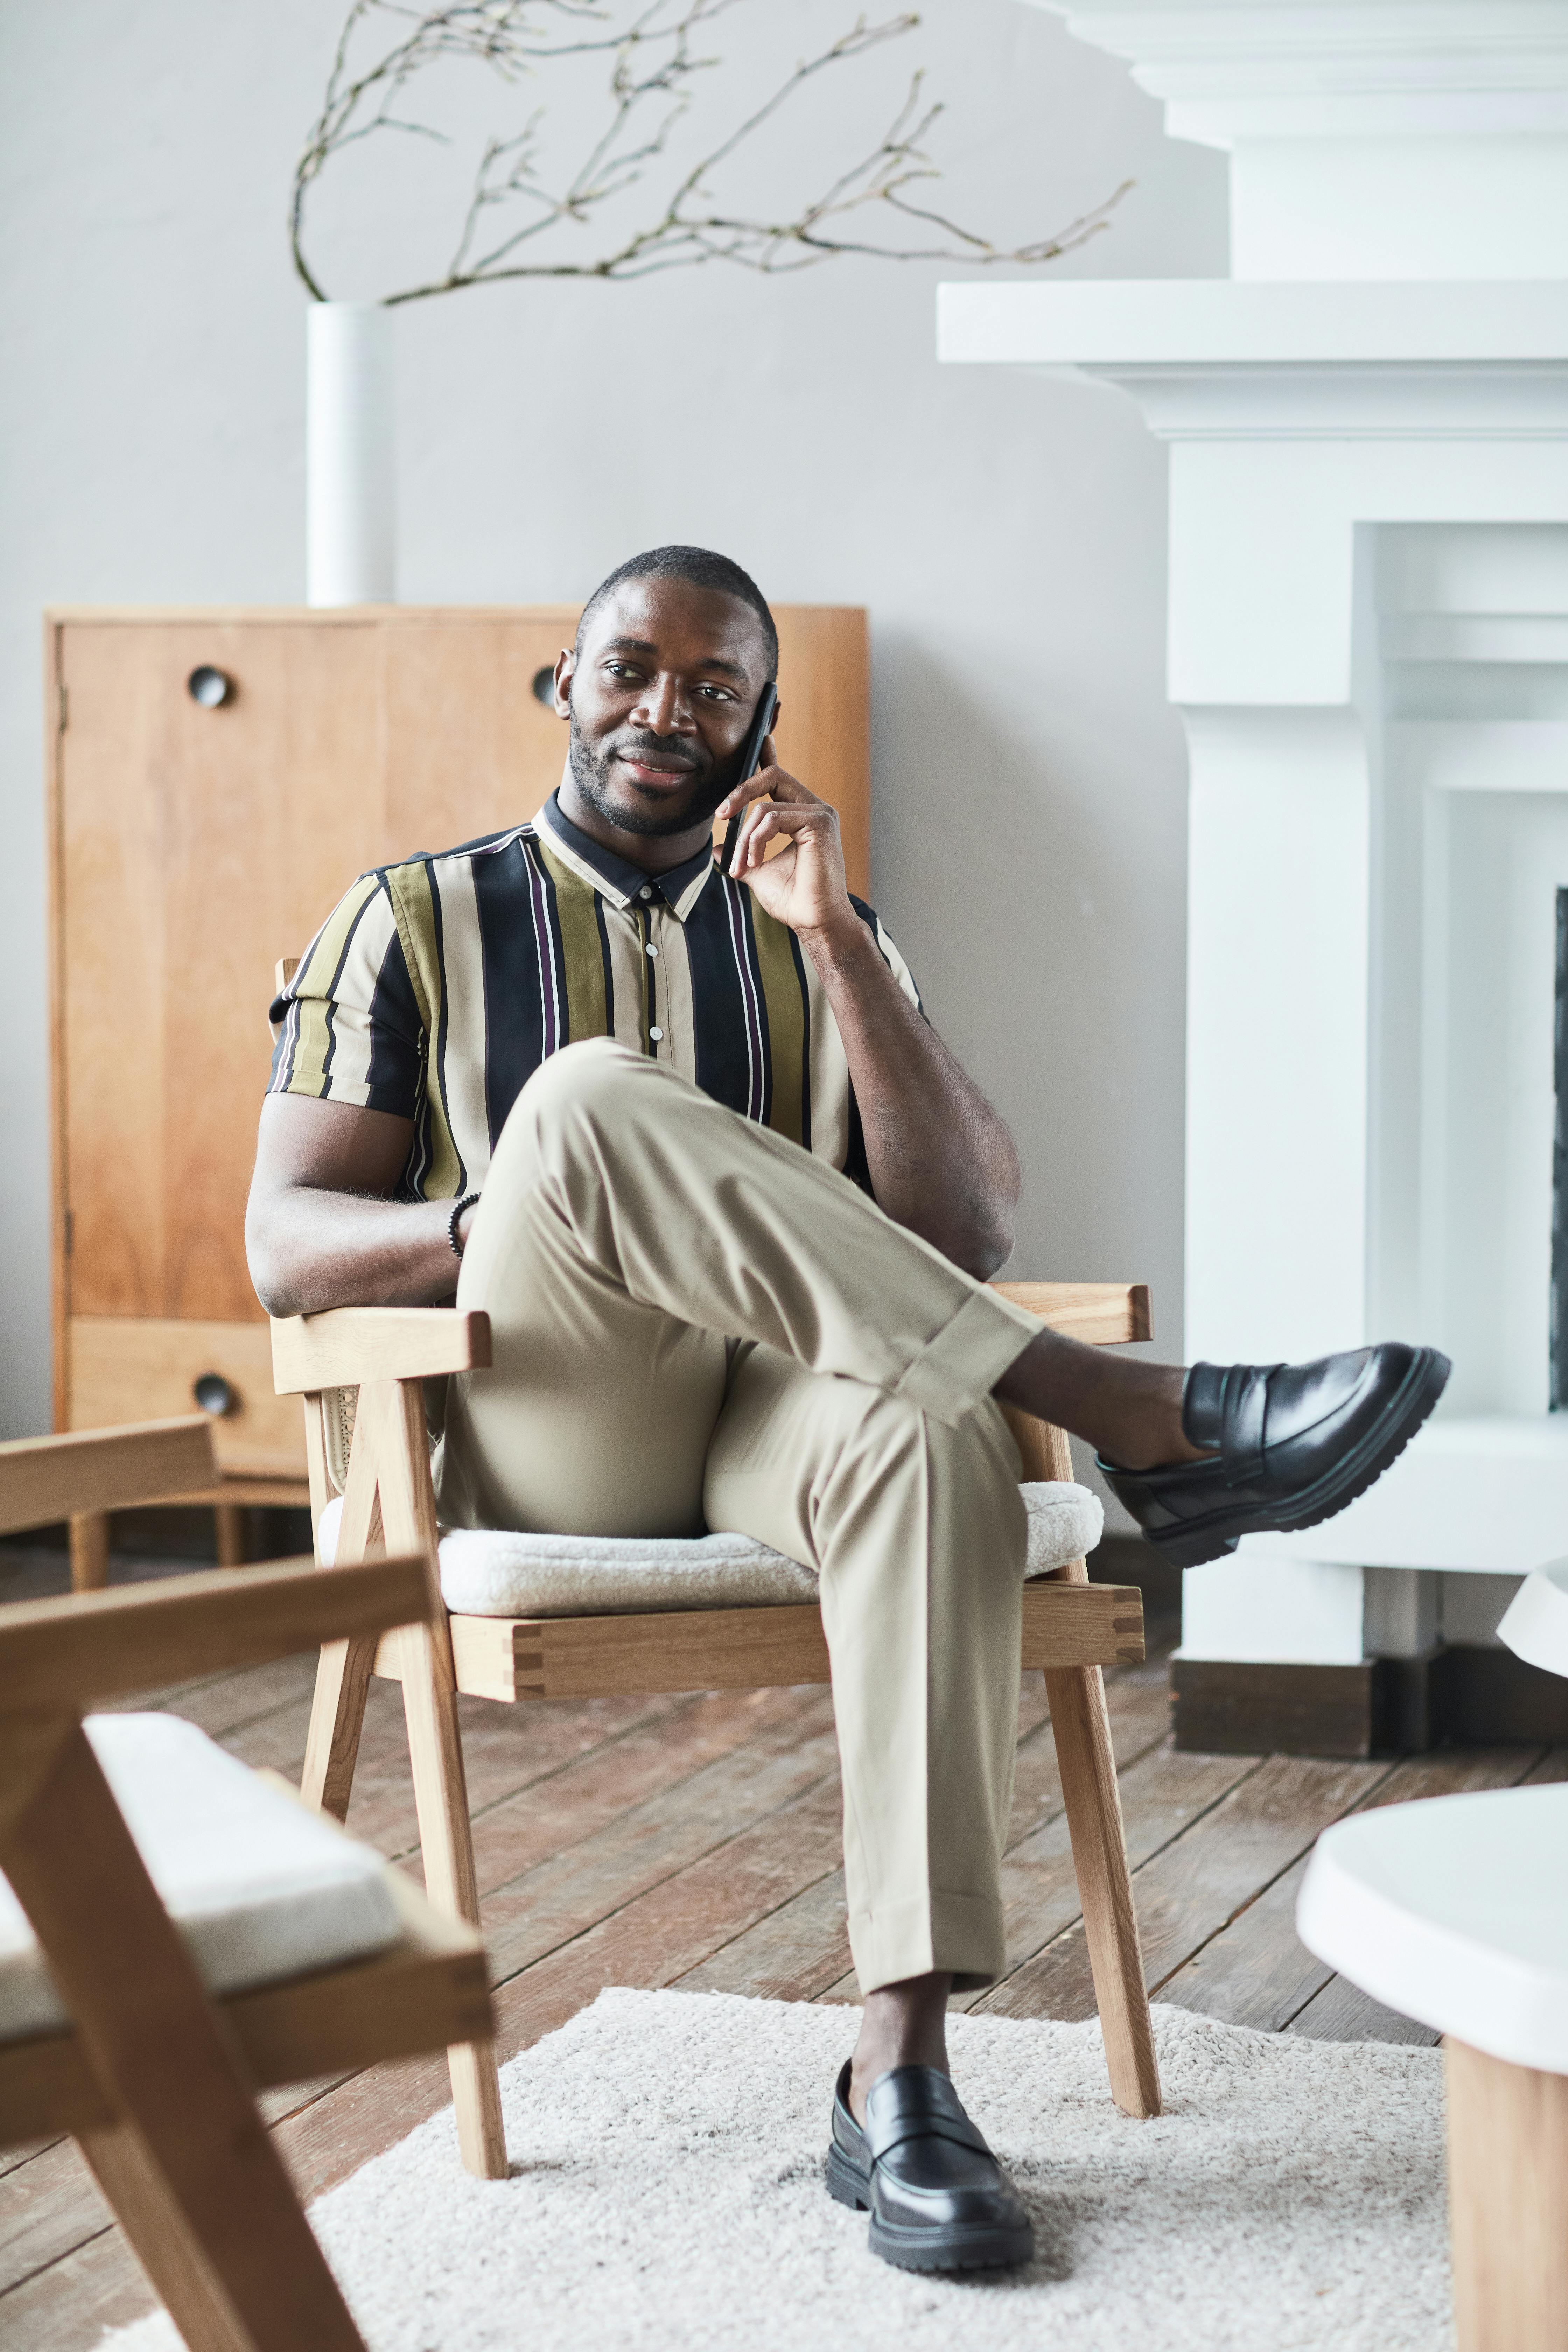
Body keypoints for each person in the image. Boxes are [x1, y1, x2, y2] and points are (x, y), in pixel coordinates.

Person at [247, 545, 1448, 2275]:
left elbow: (962, 1237)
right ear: (561, 686)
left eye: (714, 687)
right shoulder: (416, 914)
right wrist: (504, 1218)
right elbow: (280, 1242)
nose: (667, 710)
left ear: (762, 725)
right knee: (583, 1105)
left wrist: (838, 945)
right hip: (550, 1413)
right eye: (631, 671)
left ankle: (902, 2067)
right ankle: (1137, 1417)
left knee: (931, 1436)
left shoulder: (825, 928)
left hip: (765, 1428)